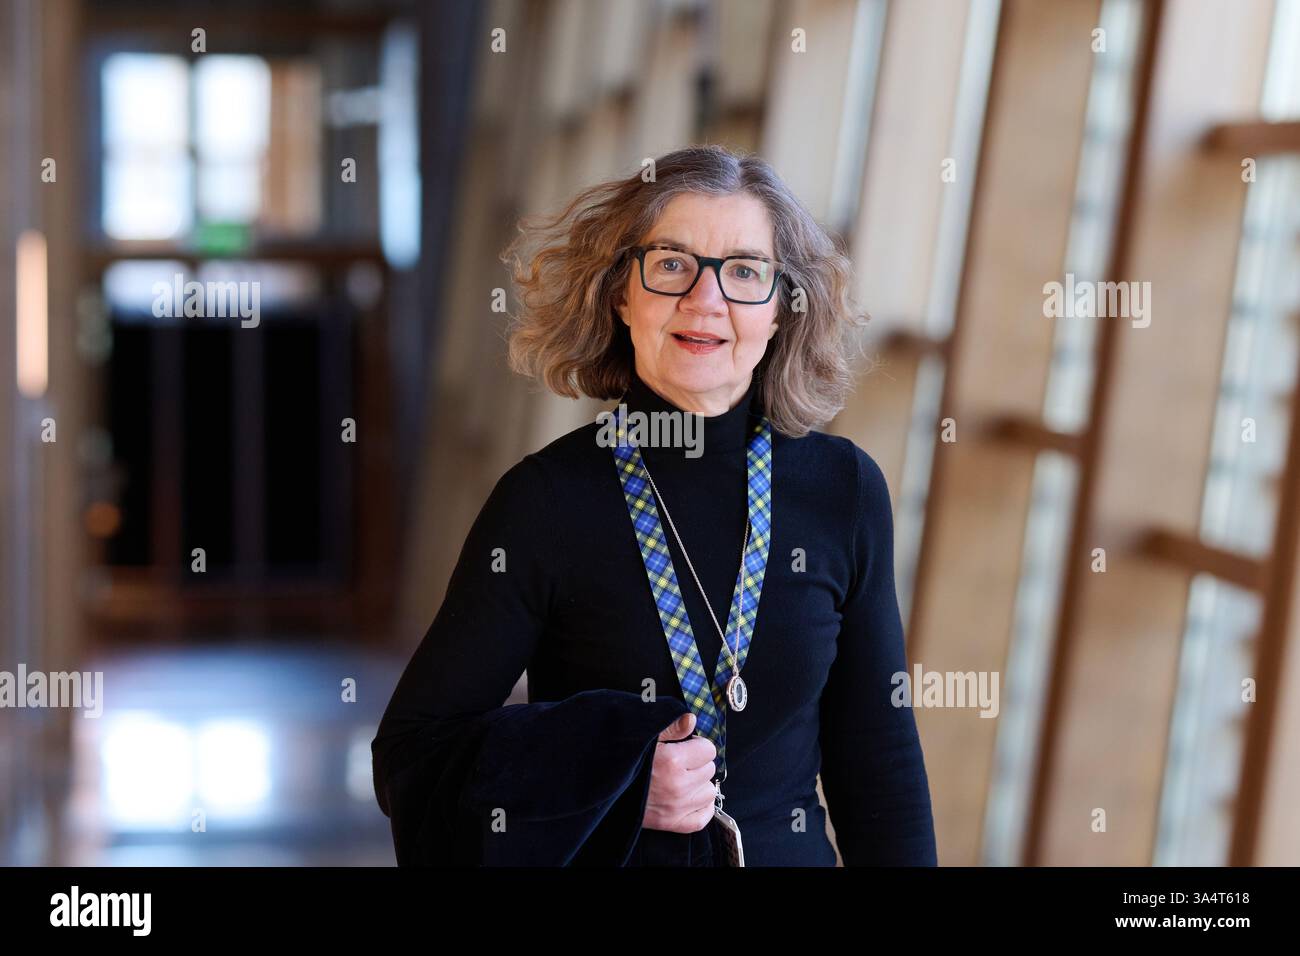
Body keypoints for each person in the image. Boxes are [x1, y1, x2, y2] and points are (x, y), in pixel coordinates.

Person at [371, 144, 937, 866]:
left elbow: (879, 760)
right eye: (671, 264)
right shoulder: (545, 503)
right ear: (620, 293)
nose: (707, 300)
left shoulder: (844, 491)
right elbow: (412, 756)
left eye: (743, 271)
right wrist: (615, 777)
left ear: (778, 308)